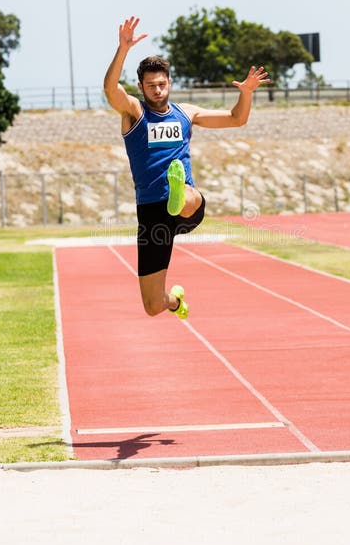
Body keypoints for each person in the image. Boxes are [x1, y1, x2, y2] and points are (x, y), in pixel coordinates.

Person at [104, 16, 270, 319]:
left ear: (170, 83)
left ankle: (179, 190)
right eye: (151, 85)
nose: (157, 90)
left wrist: (245, 93)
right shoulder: (134, 112)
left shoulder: (186, 114)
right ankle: (176, 302)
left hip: (187, 208)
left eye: (162, 84)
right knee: (152, 307)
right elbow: (111, 89)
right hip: (152, 212)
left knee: (185, 199)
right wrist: (123, 49)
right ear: (141, 87)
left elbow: (236, 119)